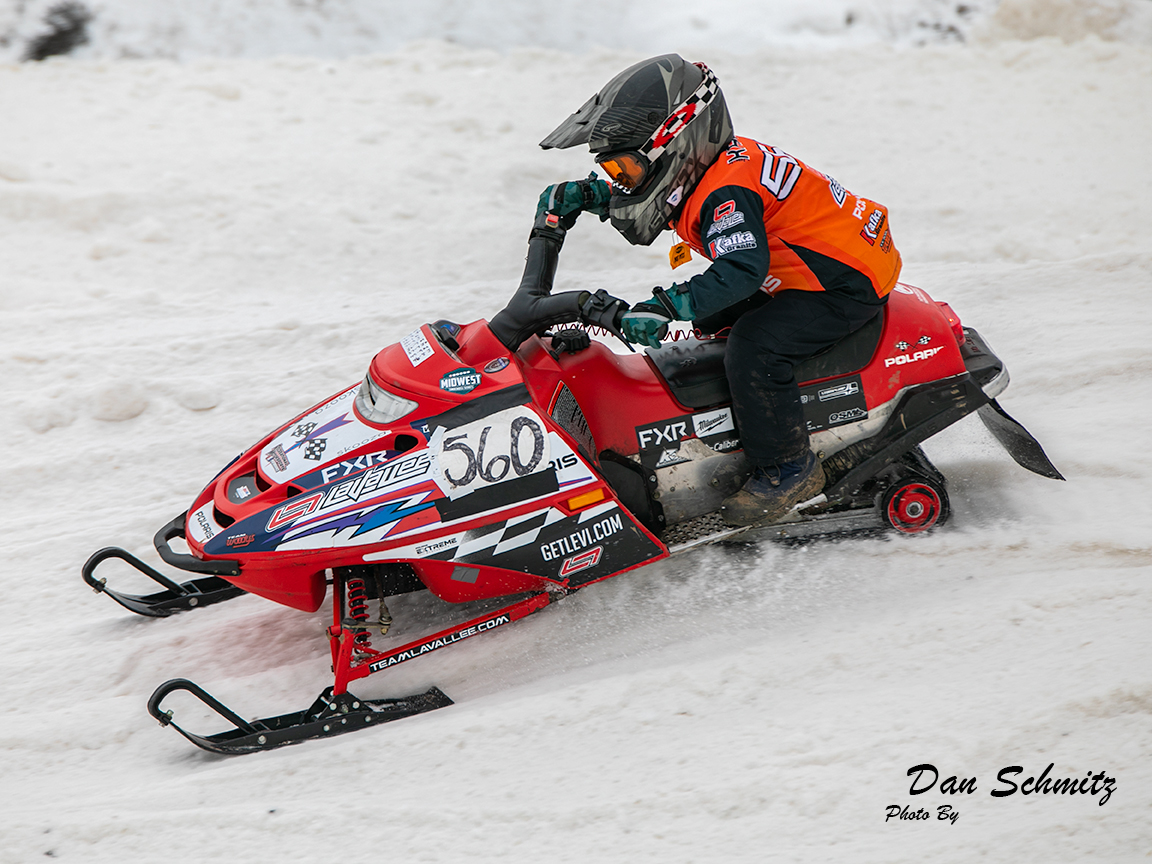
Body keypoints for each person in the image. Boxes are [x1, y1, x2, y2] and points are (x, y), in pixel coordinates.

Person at [536, 54, 902, 527]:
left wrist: (668, 305)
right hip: (805, 268)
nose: (620, 182)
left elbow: (742, 271)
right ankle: (740, 427)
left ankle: (788, 468)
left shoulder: (724, 192)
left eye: (622, 172)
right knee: (714, 322)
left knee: (755, 347)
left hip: (841, 285)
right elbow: (659, 194)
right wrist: (595, 197)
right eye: (613, 174)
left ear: (674, 142)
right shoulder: (714, 168)